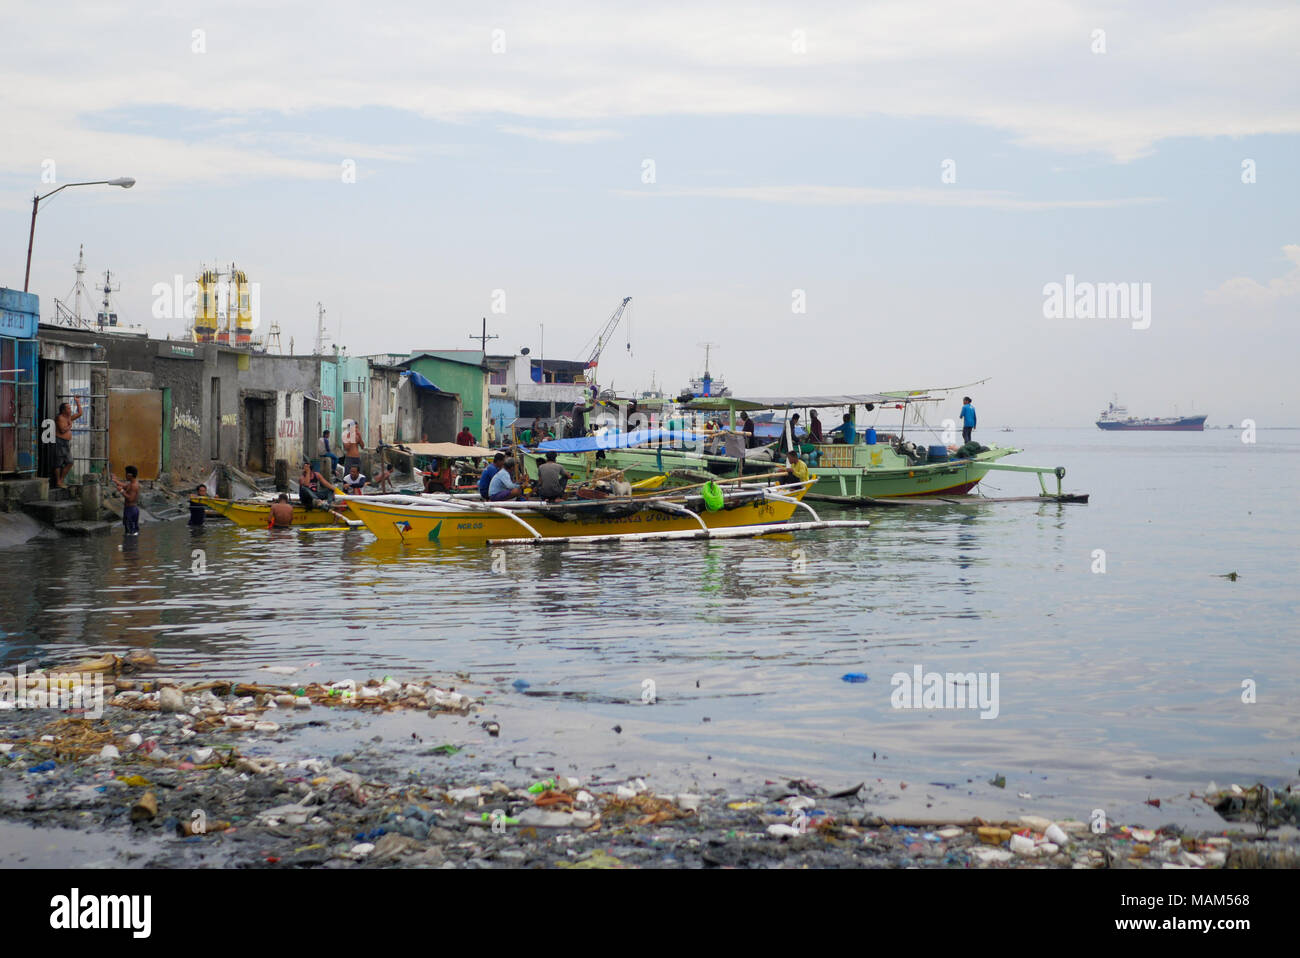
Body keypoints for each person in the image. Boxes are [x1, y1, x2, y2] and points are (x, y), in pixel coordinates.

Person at [53, 397, 83, 488]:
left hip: (66, 443)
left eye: (70, 408)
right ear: (63, 410)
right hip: (60, 442)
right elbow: (62, 430)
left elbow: (80, 413)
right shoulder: (60, 418)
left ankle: (61, 480)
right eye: (68, 408)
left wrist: (77, 402)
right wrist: (70, 425)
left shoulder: (69, 417)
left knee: (69, 462)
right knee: (58, 463)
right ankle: (58, 481)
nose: (70, 410)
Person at [109, 466, 141, 536]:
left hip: (131, 510)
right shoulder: (132, 483)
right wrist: (115, 480)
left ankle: (130, 545)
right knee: (132, 529)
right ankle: (131, 544)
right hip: (132, 509)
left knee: (130, 532)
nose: (125, 476)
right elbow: (124, 485)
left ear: (130, 475)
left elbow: (130, 499)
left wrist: (121, 491)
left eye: (126, 474)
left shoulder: (133, 485)